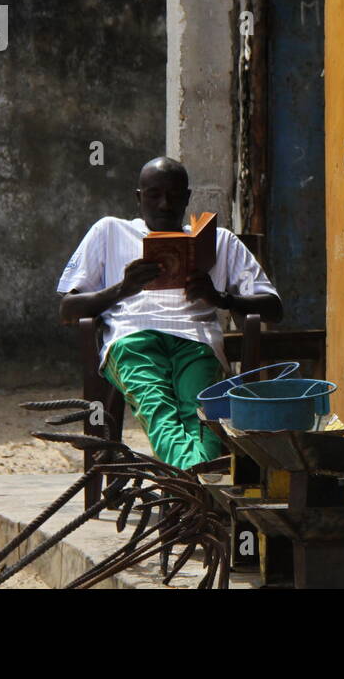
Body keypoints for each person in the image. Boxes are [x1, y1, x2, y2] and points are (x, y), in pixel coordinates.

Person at [56, 157, 283, 469]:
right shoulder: (110, 231)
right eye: (154, 195)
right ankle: (200, 489)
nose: (165, 205)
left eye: (175, 196)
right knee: (158, 409)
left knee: (203, 415)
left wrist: (221, 298)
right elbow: (68, 310)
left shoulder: (219, 240)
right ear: (138, 198)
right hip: (132, 340)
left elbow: (273, 309)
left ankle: (190, 489)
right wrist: (123, 288)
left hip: (196, 341)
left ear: (188, 198)